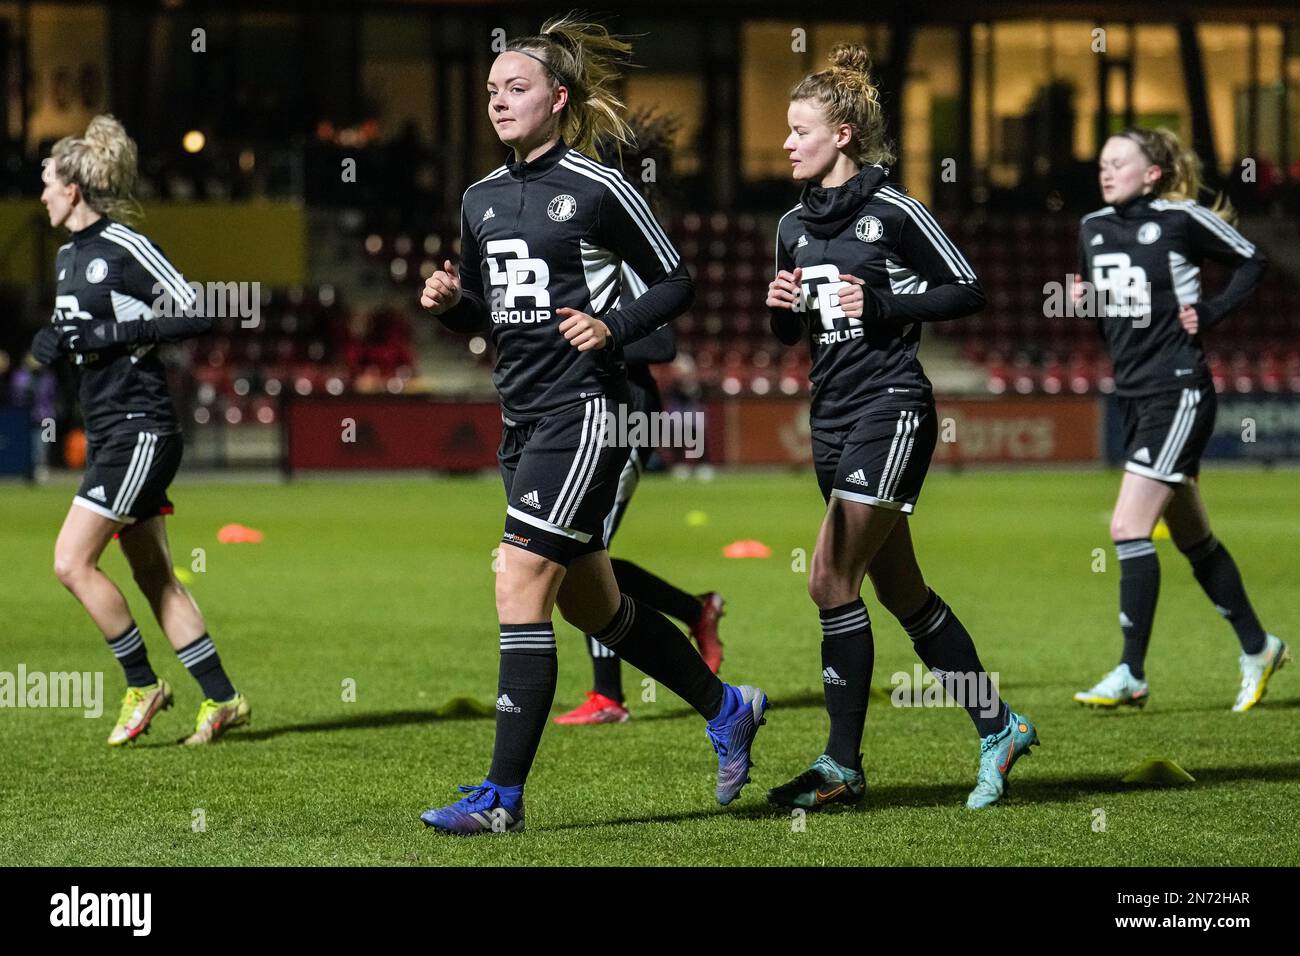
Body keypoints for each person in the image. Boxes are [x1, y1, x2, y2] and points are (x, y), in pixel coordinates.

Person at [418, 15, 767, 835]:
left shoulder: (599, 188)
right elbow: (489, 314)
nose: (500, 100)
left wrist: (613, 326)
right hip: (523, 413)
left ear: (558, 97)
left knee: (516, 580)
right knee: (594, 609)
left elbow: (676, 283)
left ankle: (501, 799)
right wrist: (448, 306)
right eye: (494, 89)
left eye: (518, 87)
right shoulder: (479, 199)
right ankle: (728, 708)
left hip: (588, 414)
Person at [764, 45, 1037, 811]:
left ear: (843, 134)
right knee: (905, 593)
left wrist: (884, 306)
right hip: (832, 417)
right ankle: (1000, 725)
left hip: (893, 408)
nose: (785, 142)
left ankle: (841, 767)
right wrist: (781, 312)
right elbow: (795, 334)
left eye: (798, 129)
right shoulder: (790, 224)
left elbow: (969, 291)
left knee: (826, 579)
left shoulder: (897, 212)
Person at [28, 115, 249, 746]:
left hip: (141, 429)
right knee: (153, 573)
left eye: (46, 181)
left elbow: (196, 310)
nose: (40, 192)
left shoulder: (121, 245)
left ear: (73, 189)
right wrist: (53, 340)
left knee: (71, 562)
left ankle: (142, 683)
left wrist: (107, 336)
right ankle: (223, 699)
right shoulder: (69, 256)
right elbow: (79, 331)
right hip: (109, 431)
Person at [1072, 127, 1285, 712]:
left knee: (1126, 527)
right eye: (1103, 163)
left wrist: (1210, 312)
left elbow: (1252, 259)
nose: (1106, 170)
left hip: (1180, 390)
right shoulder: (1090, 228)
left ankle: (1131, 672)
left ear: (1153, 174)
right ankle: (1259, 646)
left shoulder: (1179, 219)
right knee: (1194, 538)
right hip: (1136, 395)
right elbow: (1105, 313)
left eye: (1120, 162)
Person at [555, 110, 724, 727]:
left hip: (625, 413)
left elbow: (661, 345)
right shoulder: (581, 238)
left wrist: (602, 334)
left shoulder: (622, 237)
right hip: (585, 410)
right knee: (579, 553)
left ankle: (609, 695)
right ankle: (693, 609)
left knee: (584, 551)